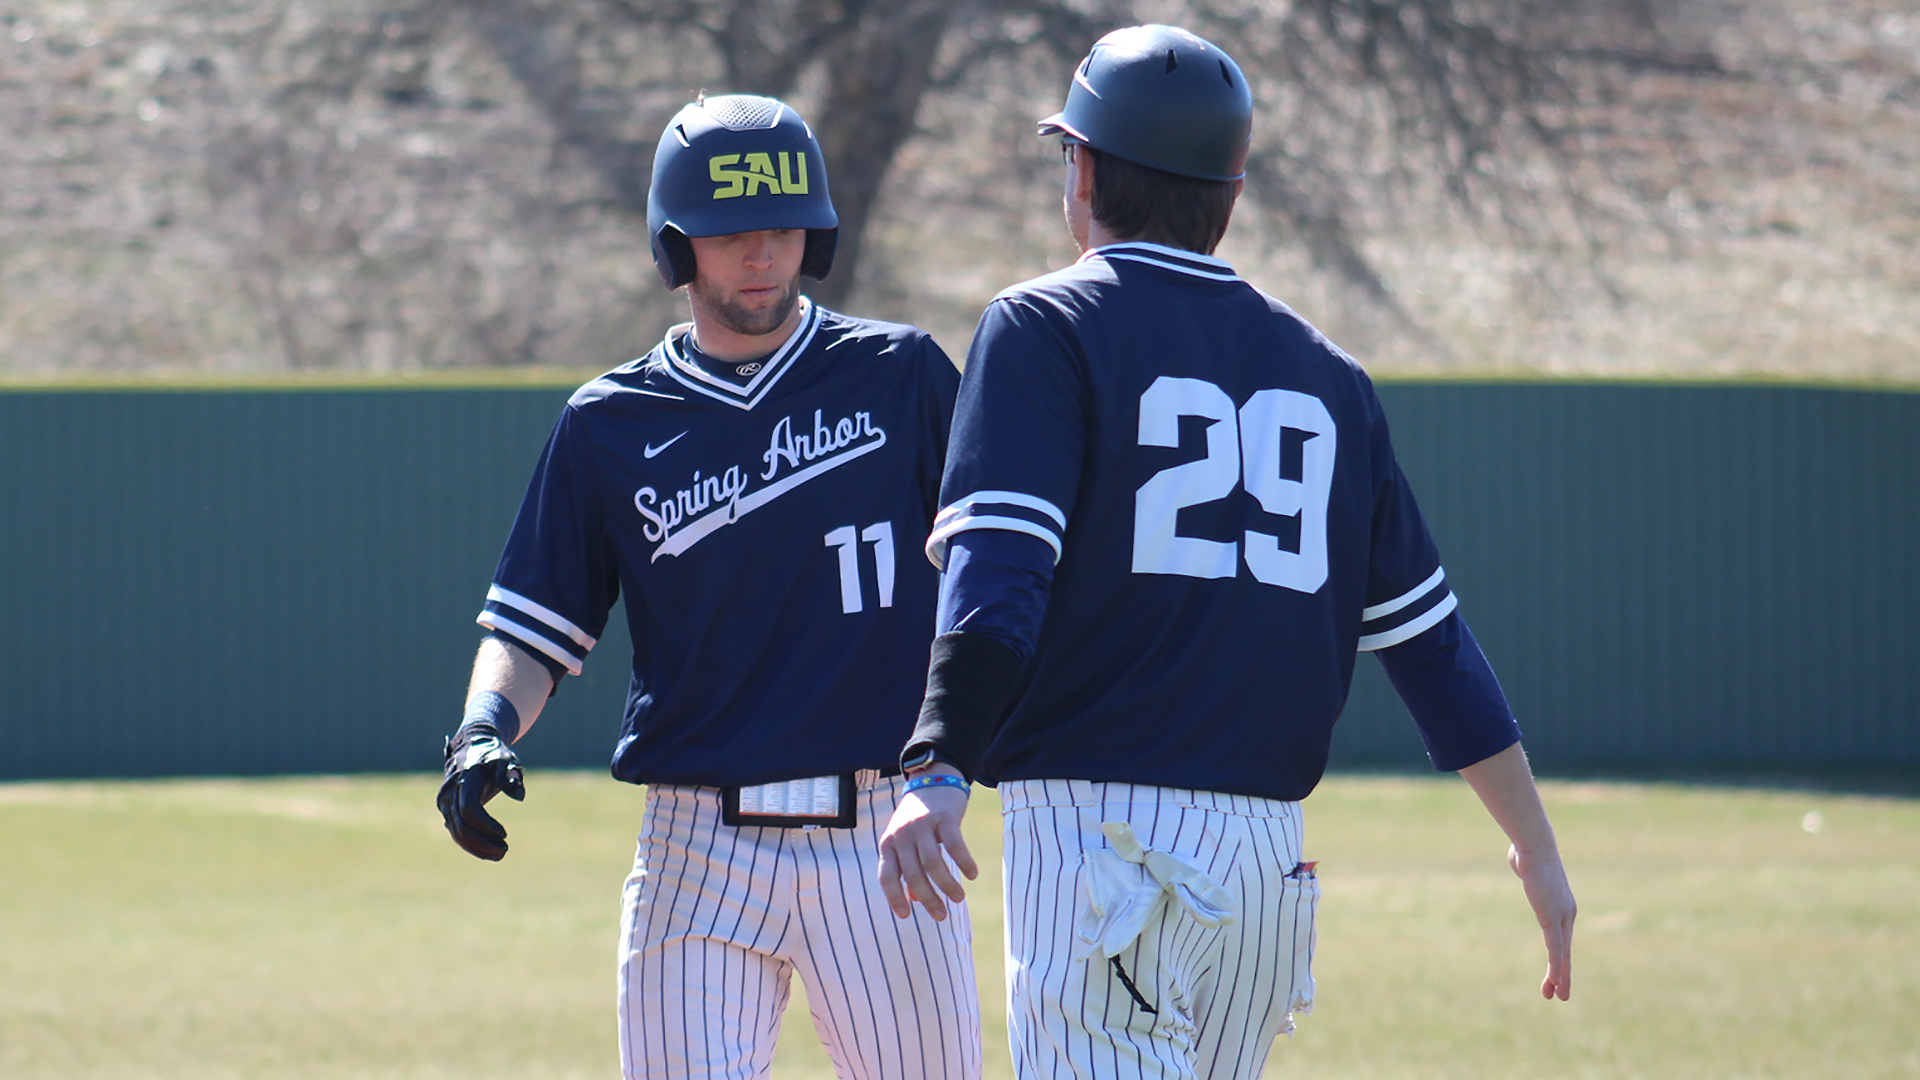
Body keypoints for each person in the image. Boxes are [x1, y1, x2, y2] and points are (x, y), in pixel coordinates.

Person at [875, 24, 1576, 1080]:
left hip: (1100, 840)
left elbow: (998, 579)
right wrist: (1535, 844)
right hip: (1266, 863)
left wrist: (939, 763)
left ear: (1086, 171)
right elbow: (1432, 648)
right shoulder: (1331, 376)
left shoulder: (1044, 325)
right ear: (1231, 193)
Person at [437, 93, 979, 1080]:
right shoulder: (609, 421)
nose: (762, 255)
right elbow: (534, 626)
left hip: (882, 826)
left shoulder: (900, 374)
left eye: (783, 228)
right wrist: (482, 728)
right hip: (697, 843)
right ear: (677, 245)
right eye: (731, 235)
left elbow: (996, 570)